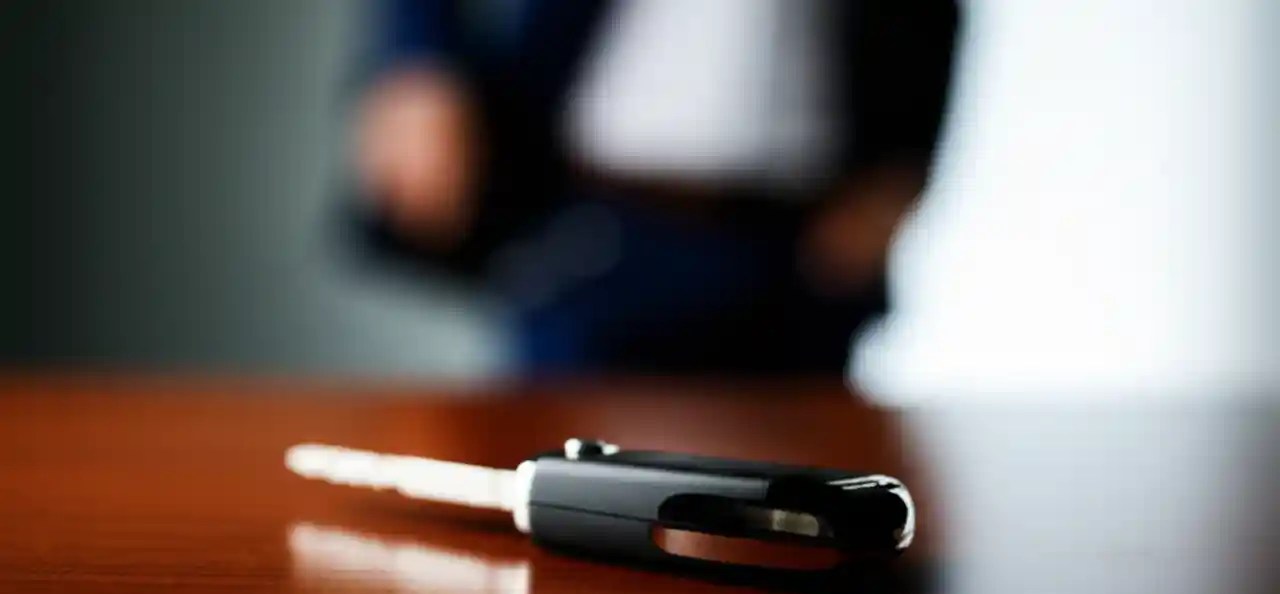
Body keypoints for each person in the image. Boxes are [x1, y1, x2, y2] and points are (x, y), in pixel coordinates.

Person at [354, 0, 958, 375]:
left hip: (805, 246)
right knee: (569, 523)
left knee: (798, 532)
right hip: (596, 227)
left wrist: (907, 164)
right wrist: (417, 55)